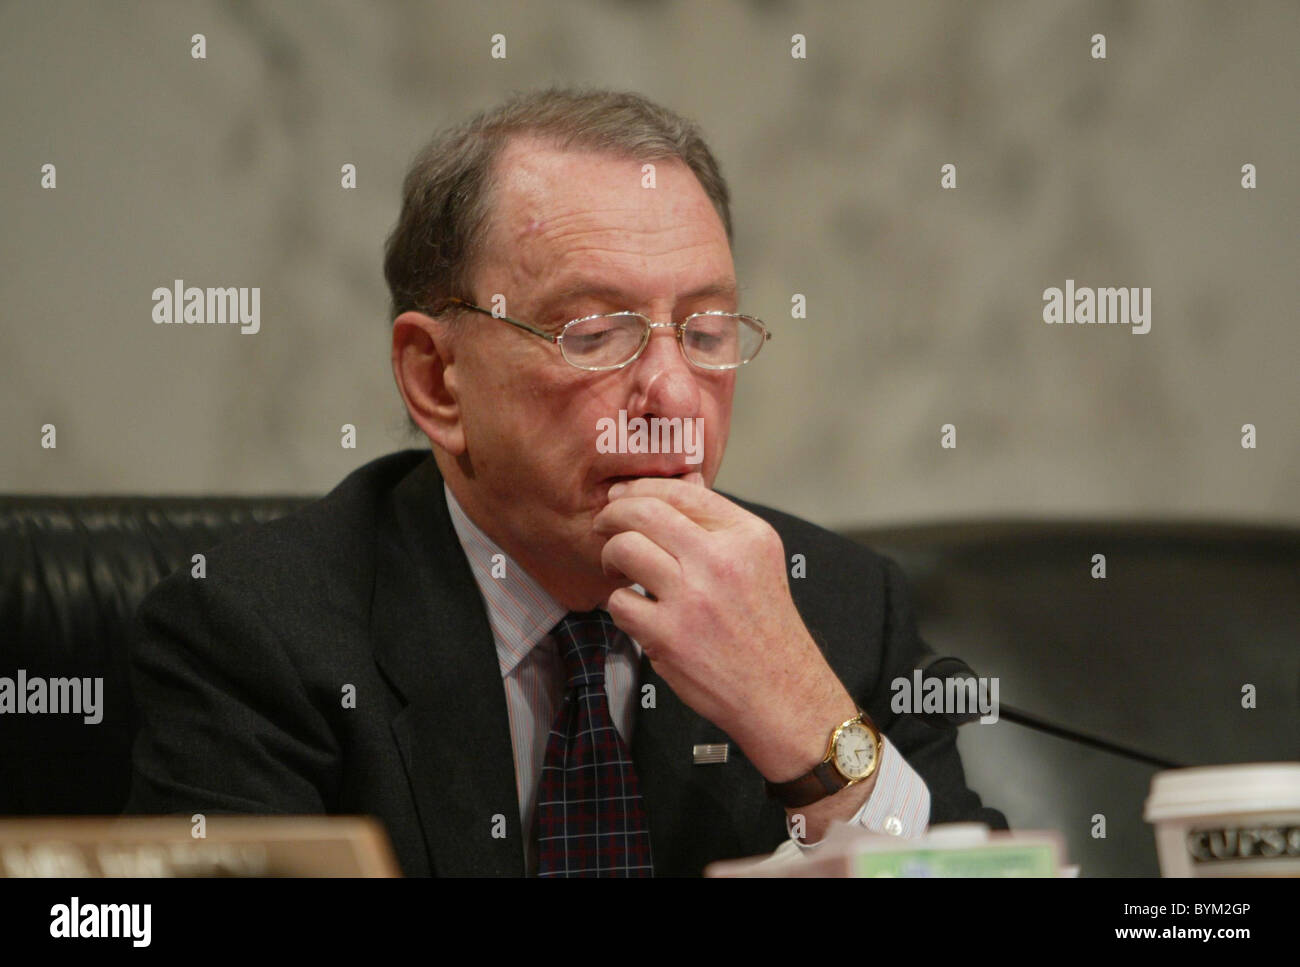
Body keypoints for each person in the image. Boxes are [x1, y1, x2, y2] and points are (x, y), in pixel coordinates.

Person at [125, 87, 1005, 876]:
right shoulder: (257, 636)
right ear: (437, 379)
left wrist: (810, 728)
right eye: (593, 333)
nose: (670, 390)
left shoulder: (837, 608)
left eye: (704, 332)